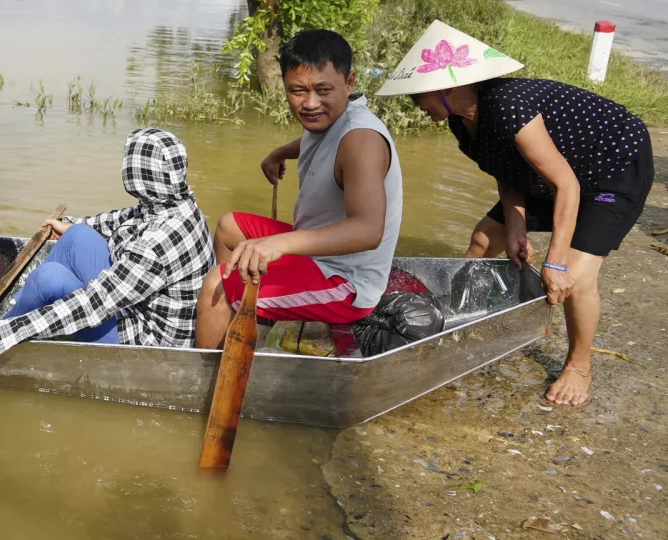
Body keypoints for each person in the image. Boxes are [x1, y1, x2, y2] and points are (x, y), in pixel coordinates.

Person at [376, 20, 653, 406]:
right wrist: (516, 229)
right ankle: (451, 321)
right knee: (484, 238)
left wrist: (555, 260)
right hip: (557, 171)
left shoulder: (508, 105)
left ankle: (579, 366)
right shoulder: (462, 123)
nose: (416, 107)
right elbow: (508, 174)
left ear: (447, 88)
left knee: (576, 277)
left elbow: (567, 186)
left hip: (612, 166)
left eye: (417, 96)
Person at [196, 29, 403, 349]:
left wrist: (278, 244)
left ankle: (207, 372)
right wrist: (279, 153)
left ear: (349, 82)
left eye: (323, 90)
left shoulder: (362, 141)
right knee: (229, 227)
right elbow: (317, 135)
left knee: (215, 285)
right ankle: (241, 326)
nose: (310, 103)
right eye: (297, 91)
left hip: (346, 282)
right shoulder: (332, 116)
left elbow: (368, 230)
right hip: (320, 254)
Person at [0, 128, 215, 367]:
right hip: (140, 307)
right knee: (77, 235)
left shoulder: (156, 244)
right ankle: (18, 310)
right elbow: (126, 218)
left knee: (46, 278)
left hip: (147, 343)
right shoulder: (179, 203)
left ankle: (6, 327)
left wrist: (7, 334)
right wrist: (71, 224)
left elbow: (93, 305)